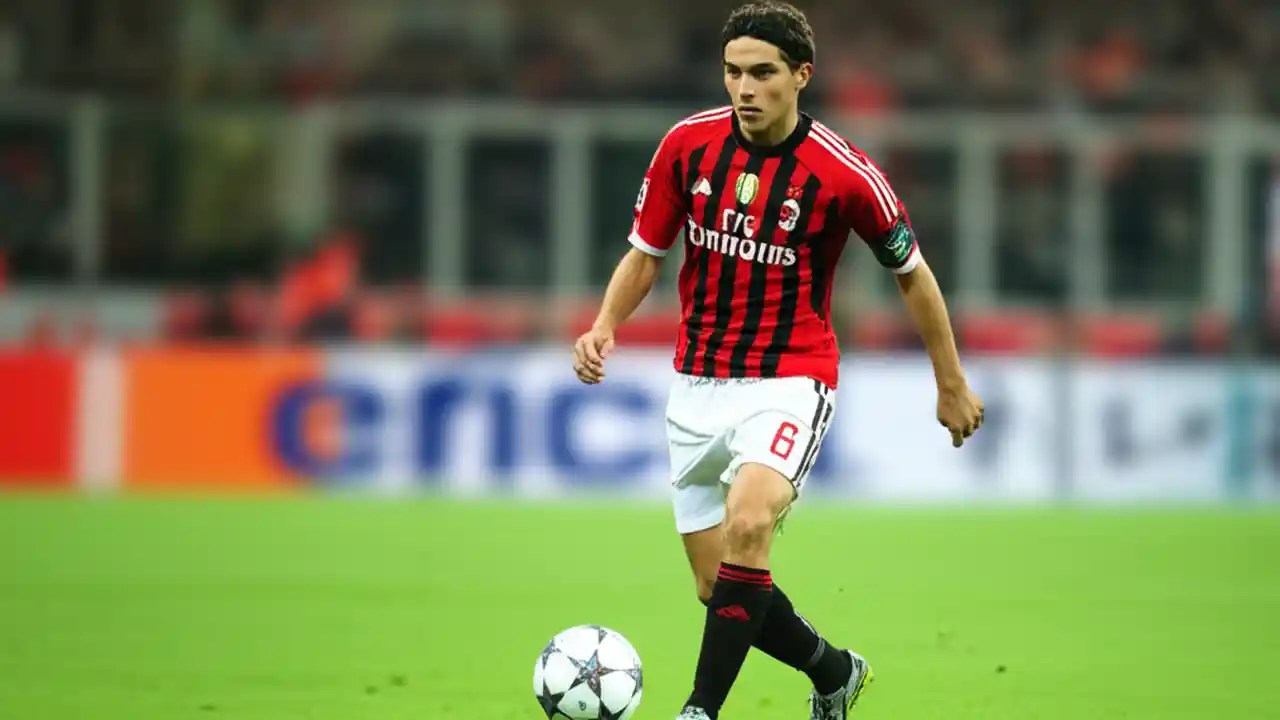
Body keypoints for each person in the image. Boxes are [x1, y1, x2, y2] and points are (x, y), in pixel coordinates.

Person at [570, 3, 984, 718]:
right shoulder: (687, 147)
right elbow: (646, 253)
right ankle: (834, 672)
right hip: (696, 384)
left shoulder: (845, 174)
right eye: (733, 72)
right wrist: (604, 324)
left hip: (790, 379)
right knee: (718, 585)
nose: (745, 88)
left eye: (762, 73)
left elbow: (913, 274)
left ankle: (699, 710)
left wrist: (950, 383)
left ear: (801, 76)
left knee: (750, 521)